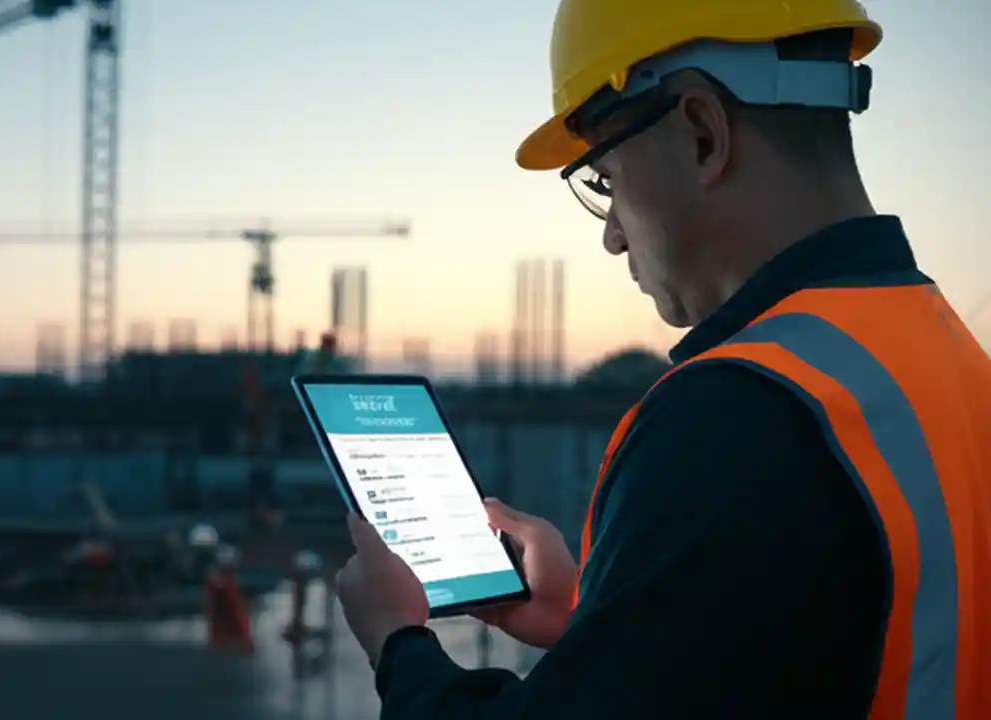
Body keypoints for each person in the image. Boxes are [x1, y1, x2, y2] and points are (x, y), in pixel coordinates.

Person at [333, 1, 991, 718]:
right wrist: (600, 614)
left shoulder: (737, 415)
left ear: (703, 135)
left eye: (607, 180)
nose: (613, 236)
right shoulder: (941, 353)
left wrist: (398, 644)